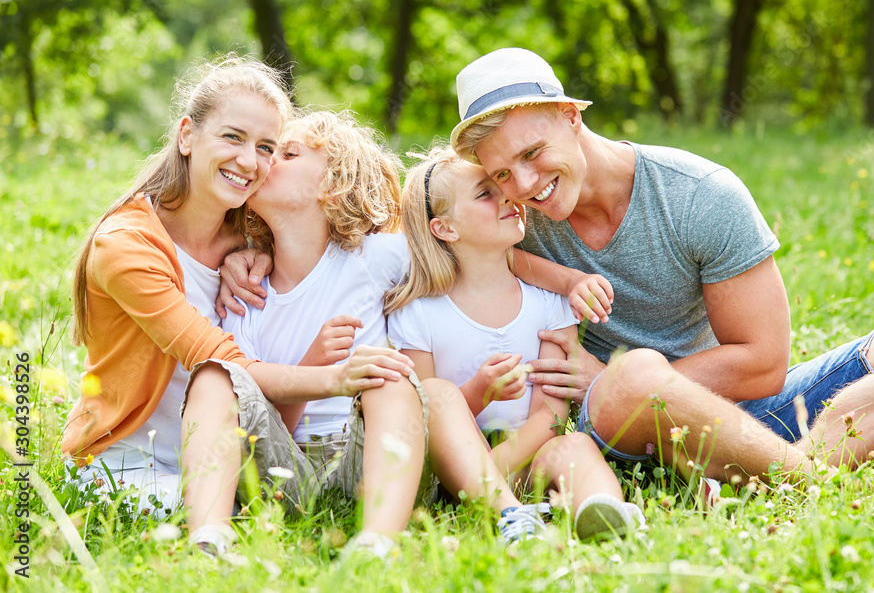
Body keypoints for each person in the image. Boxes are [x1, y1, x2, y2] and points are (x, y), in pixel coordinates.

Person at [449, 47, 874, 480]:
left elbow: (765, 362)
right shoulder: (509, 225)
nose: (521, 187)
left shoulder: (699, 195)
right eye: (499, 175)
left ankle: (791, 469)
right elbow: (417, 234)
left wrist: (614, 378)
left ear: (570, 116)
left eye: (532, 154)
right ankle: (804, 476)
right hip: (613, 419)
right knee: (632, 379)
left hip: (730, 410)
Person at [59, 56, 383, 550]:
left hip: (229, 454)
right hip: (131, 461)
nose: (250, 162)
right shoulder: (126, 245)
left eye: (267, 147)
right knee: (226, 505)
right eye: (232, 138)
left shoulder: (251, 235)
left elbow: (352, 228)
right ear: (187, 136)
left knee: (254, 504)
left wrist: (251, 252)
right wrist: (334, 380)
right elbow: (220, 361)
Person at [199, 110, 552, 555]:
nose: (265, 163)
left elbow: (468, 249)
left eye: (285, 153)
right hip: (285, 472)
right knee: (218, 373)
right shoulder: (245, 297)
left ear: (333, 186)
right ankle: (209, 534)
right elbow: (264, 423)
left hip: (377, 460)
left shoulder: (374, 258)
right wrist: (313, 365)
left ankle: (378, 542)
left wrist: (568, 282)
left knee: (388, 374)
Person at [384, 146, 645, 541]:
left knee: (573, 445)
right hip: (456, 470)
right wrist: (479, 393)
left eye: (501, 186)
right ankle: (512, 518)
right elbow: (425, 420)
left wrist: (492, 466)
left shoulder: (549, 303)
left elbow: (551, 414)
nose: (508, 197)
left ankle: (604, 511)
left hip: (528, 457)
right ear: (445, 228)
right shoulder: (418, 314)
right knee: (435, 393)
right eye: (484, 193)